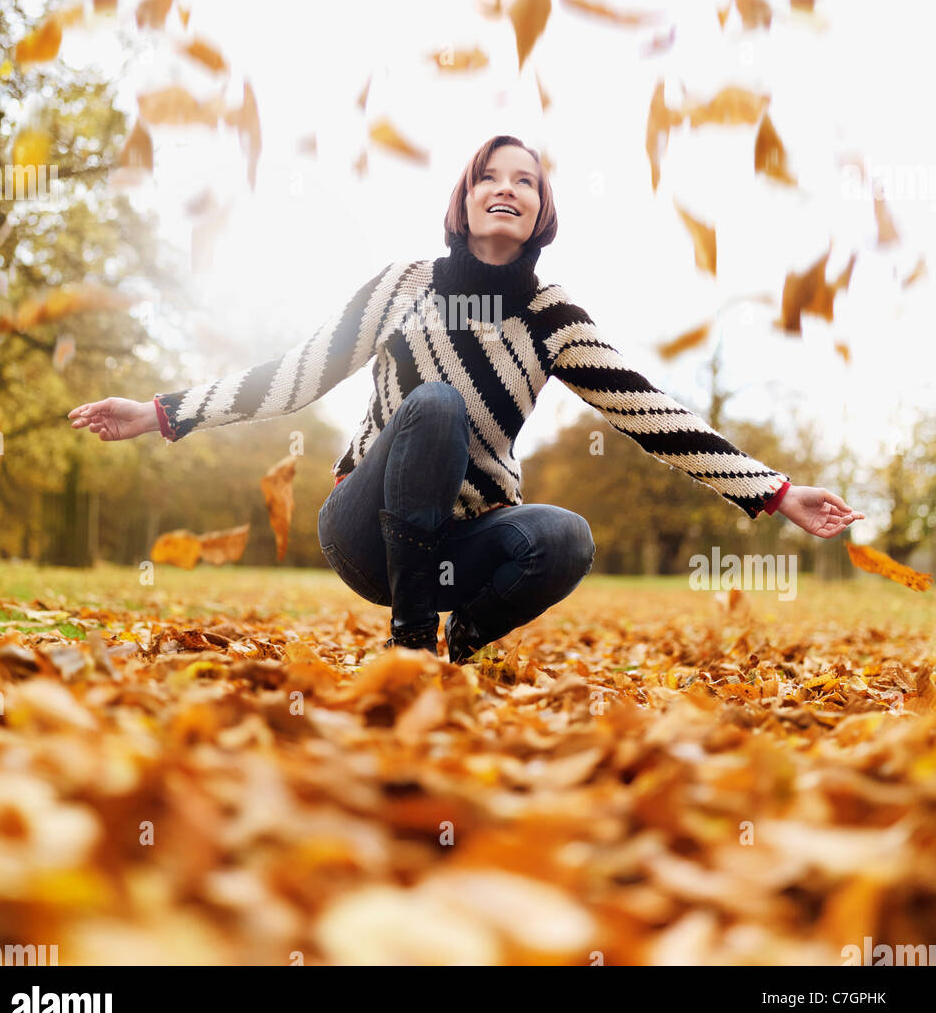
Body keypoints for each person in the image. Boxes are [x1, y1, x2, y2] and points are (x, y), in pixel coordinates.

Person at [68, 134, 864, 661]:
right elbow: (296, 371)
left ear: (542, 210)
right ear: (465, 197)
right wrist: (162, 411)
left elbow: (654, 415)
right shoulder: (401, 286)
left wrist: (776, 492)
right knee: (437, 406)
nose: (506, 188)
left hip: (463, 545)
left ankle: (458, 648)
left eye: (526, 181)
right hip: (366, 531)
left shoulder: (554, 319)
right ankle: (409, 643)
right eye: (490, 175)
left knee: (567, 536)